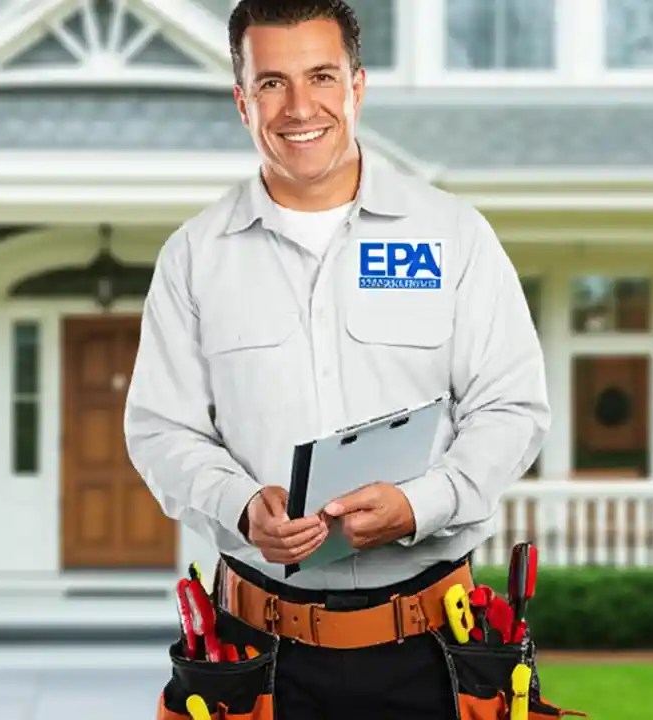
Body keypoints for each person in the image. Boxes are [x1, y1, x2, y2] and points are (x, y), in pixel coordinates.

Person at [123, 0, 549, 717]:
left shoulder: (452, 236)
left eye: (321, 75)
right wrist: (240, 503)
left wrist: (421, 504)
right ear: (241, 99)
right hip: (255, 661)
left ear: (357, 84)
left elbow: (512, 408)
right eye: (270, 83)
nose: (299, 107)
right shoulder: (195, 257)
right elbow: (161, 431)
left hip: (436, 656)